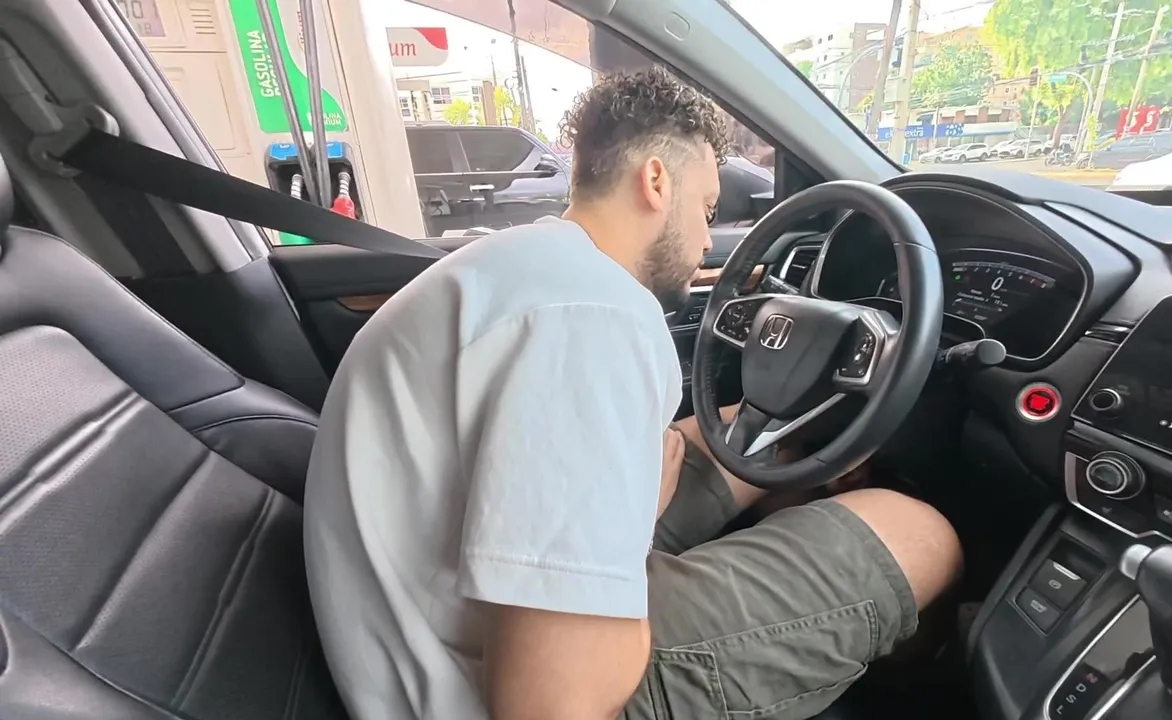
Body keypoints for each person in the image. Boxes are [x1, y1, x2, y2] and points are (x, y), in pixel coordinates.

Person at [303, 68, 963, 720]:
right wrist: (636, 521)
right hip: (472, 683)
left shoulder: (526, 266)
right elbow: (553, 705)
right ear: (655, 181)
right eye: (707, 210)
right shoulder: (597, 315)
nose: (705, 240)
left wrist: (634, 517)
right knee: (921, 531)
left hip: (430, 616)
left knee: (756, 437)